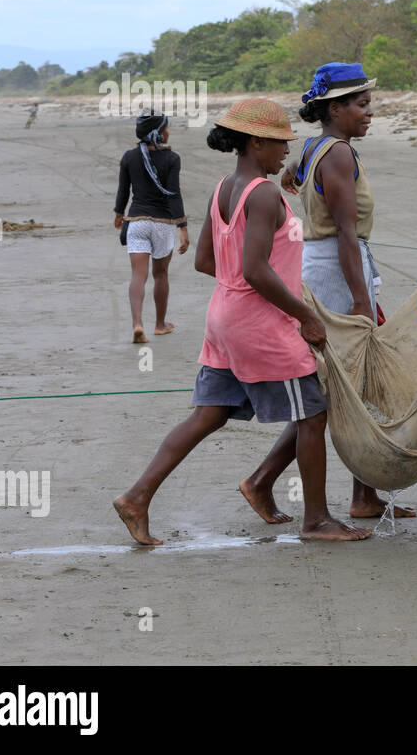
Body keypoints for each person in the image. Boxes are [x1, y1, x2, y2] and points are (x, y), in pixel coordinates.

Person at [112, 98, 369, 545]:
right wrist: (304, 314)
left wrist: (243, 287)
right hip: (260, 323)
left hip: (224, 314)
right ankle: (316, 520)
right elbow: (255, 269)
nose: (285, 151)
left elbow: (208, 262)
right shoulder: (265, 193)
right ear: (255, 142)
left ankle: (136, 497)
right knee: (312, 414)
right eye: (278, 143)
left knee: (208, 414)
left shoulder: (222, 188)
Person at [250, 62, 415, 522]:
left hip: (326, 265)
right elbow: (345, 232)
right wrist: (362, 301)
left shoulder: (312, 149)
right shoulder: (339, 154)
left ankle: (364, 495)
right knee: (335, 388)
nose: (370, 113)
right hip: (339, 272)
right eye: (362, 105)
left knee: (354, 386)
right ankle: (262, 480)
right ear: (335, 108)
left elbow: (291, 185)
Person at [114, 110, 188, 343]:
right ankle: (159, 324)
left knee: (138, 275)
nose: (168, 132)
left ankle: (137, 324)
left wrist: (119, 214)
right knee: (161, 274)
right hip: (162, 224)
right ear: (158, 133)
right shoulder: (172, 158)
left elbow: (123, 190)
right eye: (166, 128)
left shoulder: (129, 157)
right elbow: (173, 195)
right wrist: (183, 226)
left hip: (136, 222)